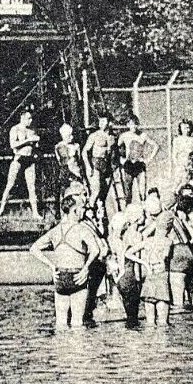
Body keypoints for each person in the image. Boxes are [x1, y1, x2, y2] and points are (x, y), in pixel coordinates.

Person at [29, 192, 105, 330]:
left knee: (61, 323)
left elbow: (34, 248)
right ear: (75, 211)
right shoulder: (82, 229)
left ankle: (61, 350)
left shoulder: (55, 231)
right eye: (82, 208)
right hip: (77, 277)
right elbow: (96, 250)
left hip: (61, 277)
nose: (84, 211)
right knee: (77, 323)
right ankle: (76, 351)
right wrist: (86, 268)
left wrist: (52, 266)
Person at [124, 189, 175, 327]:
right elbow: (165, 257)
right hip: (161, 278)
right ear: (169, 227)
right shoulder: (168, 241)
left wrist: (144, 263)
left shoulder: (148, 240)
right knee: (163, 324)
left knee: (150, 323)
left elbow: (128, 253)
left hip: (149, 278)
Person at [107, 200, 148, 324]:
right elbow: (136, 262)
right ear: (138, 218)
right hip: (131, 275)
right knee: (133, 316)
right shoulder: (136, 235)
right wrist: (139, 280)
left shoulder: (123, 236)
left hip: (120, 277)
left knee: (128, 311)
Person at [0, 110, 42, 220]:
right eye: (28, 118)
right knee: (10, 184)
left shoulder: (32, 130)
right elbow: (13, 145)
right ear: (22, 118)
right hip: (18, 159)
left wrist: (36, 146)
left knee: (32, 187)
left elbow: (36, 147)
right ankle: (0, 210)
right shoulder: (15, 129)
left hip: (29, 160)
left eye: (31, 118)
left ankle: (35, 213)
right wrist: (27, 140)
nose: (30, 121)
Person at [117, 114, 159, 205]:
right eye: (131, 124)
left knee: (142, 192)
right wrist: (121, 159)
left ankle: (145, 212)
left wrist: (148, 159)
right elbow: (116, 148)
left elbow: (156, 146)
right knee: (128, 193)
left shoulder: (143, 135)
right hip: (128, 164)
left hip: (139, 165)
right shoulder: (124, 136)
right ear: (128, 125)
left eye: (135, 124)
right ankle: (128, 212)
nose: (133, 126)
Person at [83, 111, 117, 214]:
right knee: (96, 191)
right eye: (100, 121)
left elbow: (114, 154)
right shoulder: (94, 135)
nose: (101, 123)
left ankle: (99, 217)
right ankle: (88, 212)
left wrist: (114, 168)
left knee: (103, 195)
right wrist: (88, 167)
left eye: (104, 121)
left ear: (109, 122)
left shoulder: (112, 137)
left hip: (106, 166)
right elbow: (84, 152)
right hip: (95, 164)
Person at [54, 123, 90, 198]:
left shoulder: (76, 146)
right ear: (63, 136)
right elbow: (63, 160)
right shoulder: (59, 146)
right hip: (67, 172)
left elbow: (79, 159)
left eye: (71, 134)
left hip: (77, 171)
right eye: (68, 135)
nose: (71, 137)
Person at [168, 119, 193, 204]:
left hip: (190, 166)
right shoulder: (177, 140)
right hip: (180, 166)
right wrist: (178, 165)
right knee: (177, 186)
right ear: (180, 128)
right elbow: (174, 155)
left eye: (187, 127)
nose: (186, 130)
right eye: (184, 128)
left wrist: (190, 165)